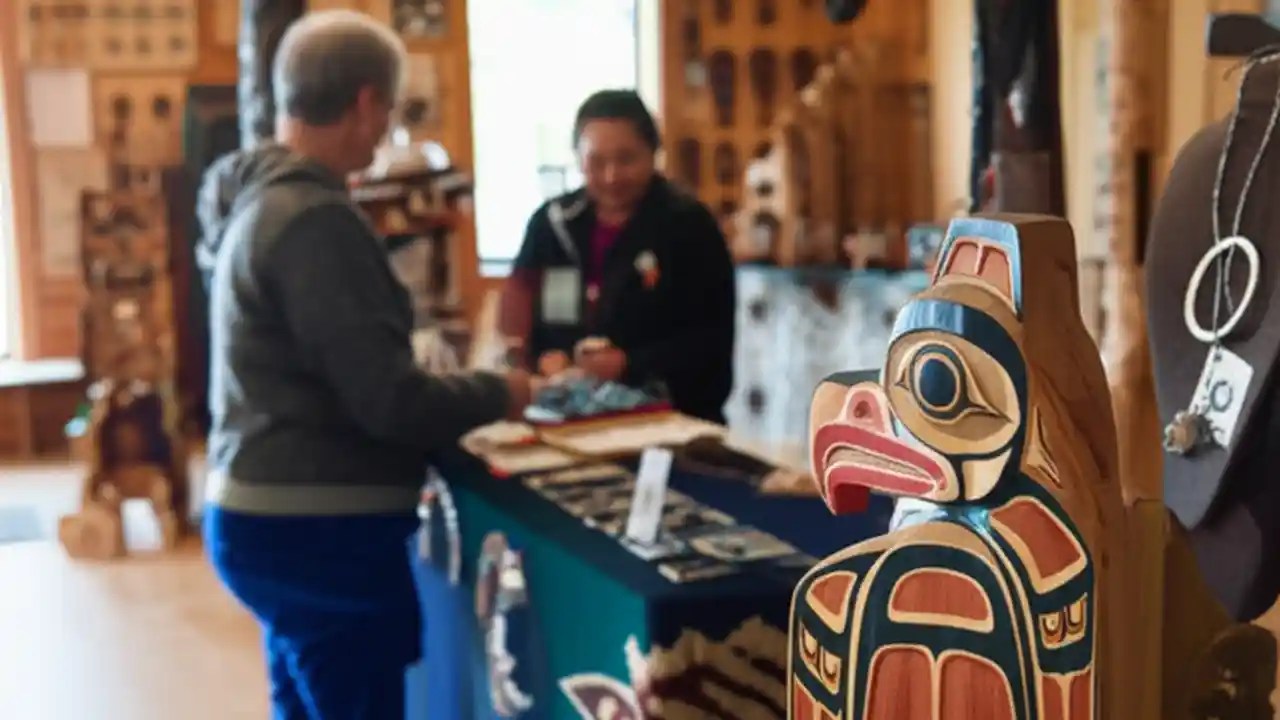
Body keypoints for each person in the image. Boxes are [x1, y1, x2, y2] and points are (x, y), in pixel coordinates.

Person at [196, 11, 536, 719]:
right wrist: (502, 391)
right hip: (315, 531)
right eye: (389, 107)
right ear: (365, 102)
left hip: (262, 512)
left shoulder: (260, 200)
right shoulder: (314, 219)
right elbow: (390, 402)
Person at [502, 89, 737, 424]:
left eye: (626, 159)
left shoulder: (688, 225)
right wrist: (538, 357)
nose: (611, 176)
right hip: (564, 419)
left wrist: (629, 363)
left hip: (670, 422)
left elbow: (711, 343)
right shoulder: (551, 224)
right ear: (577, 158)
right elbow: (519, 314)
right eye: (596, 162)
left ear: (654, 152)